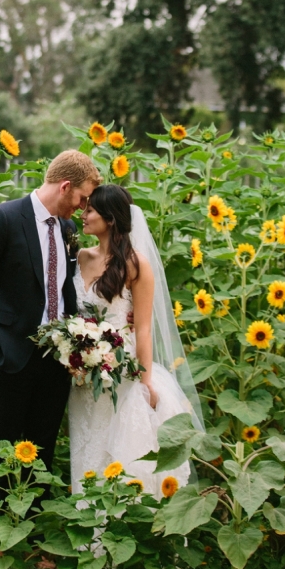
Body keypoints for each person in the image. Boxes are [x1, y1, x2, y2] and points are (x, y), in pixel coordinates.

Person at [0, 150, 101, 474]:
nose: (83, 207)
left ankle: (34, 521)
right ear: (65, 186)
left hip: (56, 361)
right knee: (1, 453)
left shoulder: (66, 230)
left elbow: (65, 287)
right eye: (82, 198)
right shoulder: (3, 219)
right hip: (11, 356)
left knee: (42, 453)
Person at [68, 183, 203, 500]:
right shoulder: (82, 257)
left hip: (121, 370)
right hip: (83, 375)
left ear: (110, 219)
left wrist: (145, 382)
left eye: (90, 210)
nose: (83, 215)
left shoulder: (136, 263)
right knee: (86, 446)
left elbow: (143, 328)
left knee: (122, 453)